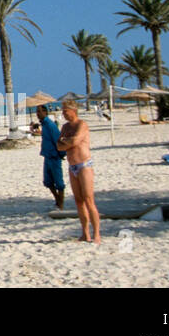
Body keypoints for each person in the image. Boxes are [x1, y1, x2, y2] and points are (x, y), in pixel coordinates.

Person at [57, 101, 100, 243]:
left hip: (84, 165)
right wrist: (66, 141)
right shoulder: (65, 127)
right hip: (72, 166)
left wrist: (66, 141)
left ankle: (97, 234)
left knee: (88, 199)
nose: (63, 114)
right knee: (79, 201)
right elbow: (59, 146)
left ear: (73, 110)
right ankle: (85, 233)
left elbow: (75, 141)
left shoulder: (82, 125)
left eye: (65, 111)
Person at [36, 104, 65, 209]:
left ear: (45, 112)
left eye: (39, 112)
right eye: (37, 112)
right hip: (47, 156)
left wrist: (61, 154)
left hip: (54, 157)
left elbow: (57, 139)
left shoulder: (50, 125)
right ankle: (57, 200)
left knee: (59, 182)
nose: (38, 114)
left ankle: (60, 204)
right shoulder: (44, 125)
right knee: (48, 181)